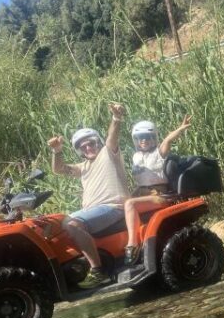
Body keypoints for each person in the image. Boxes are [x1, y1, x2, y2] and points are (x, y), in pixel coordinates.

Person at [48, 103, 130, 288]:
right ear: (79, 151)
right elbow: (58, 169)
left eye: (91, 143)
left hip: (113, 207)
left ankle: (97, 271)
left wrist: (116, 118)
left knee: (72, 223)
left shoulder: (108, 153)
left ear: (98, 142)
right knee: (54, 224)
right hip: (93, 211)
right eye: (82, 146)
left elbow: (112, 136)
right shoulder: (83, 167)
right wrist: (56, 151)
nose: (88, 148)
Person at [122, 115, 192, 265]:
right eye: (140, 138)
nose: (144, 140)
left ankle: (132, 245)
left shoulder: (159, 153)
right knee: (121, 203)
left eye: (147, 137)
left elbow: (168, 140)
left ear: (153, 138)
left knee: (130, 204)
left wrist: (180, 128)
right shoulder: (135, 157)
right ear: (136, 140)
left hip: (159, 195)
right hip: (142, 192)